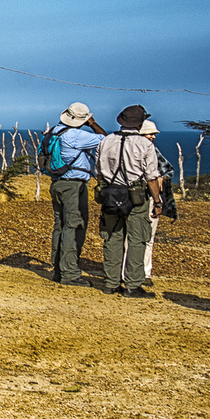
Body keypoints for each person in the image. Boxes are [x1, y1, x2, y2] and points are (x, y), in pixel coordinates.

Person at [95, 104, 166, 298]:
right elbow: (151, 176)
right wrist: (157, 201)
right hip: (136, 195)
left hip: (110, 193)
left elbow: (99, 172)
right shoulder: (145, 145)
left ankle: (111, 282)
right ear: (140, 123)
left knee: (112, 238)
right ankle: (133, 285)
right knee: (137, 239)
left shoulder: (106, 141)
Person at [47, 102, 106, 286]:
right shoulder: (75, 135)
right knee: (74, 226)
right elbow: (105, 140)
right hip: (73, 184)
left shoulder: (54, 132)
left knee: (60, 226)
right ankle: (70, 272)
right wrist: (92, 123)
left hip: (57, 183)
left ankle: (58, 269)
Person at [137, 120, 178, 287]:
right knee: (144, 236)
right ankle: (140, 272)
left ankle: (144, 271)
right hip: (146, 197)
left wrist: (162, 178)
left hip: (142, 197)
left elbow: (169, 170)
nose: (153, 137)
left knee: (146, 236)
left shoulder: (152, 150)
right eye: (150, 133)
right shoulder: (147, 150)